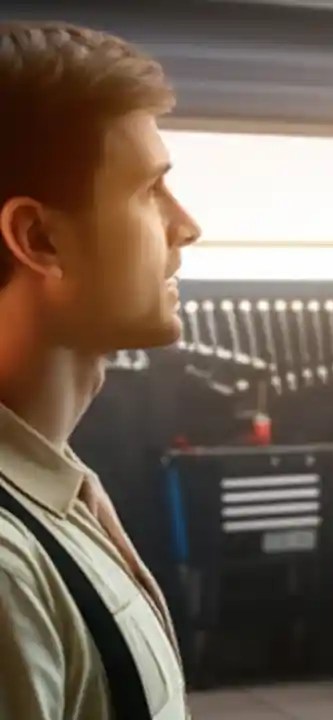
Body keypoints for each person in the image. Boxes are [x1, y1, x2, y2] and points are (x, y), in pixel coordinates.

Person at [0, 21, 200, 719]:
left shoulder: (57, 494)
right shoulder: (6, 571)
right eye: (150, 190)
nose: (188, 224)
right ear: (40, 238)